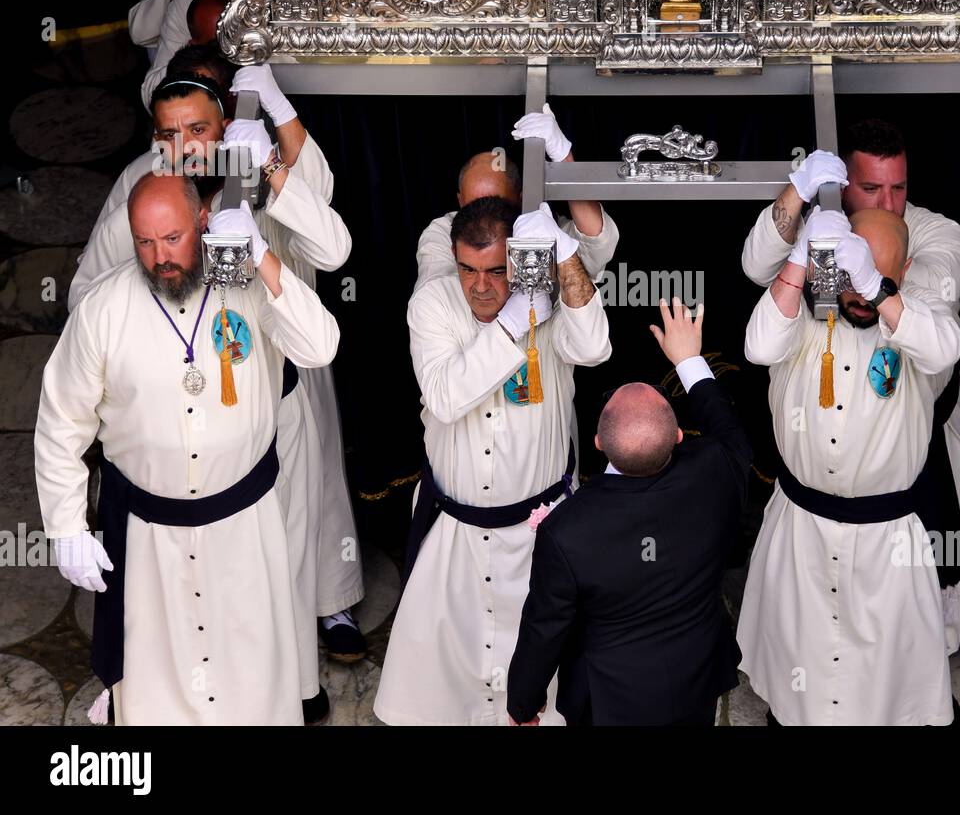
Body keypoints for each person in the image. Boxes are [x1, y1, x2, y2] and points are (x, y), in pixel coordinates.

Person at [69, 73, 365, 716]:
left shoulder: (259, 172)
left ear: (226, 126)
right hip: (178, 415)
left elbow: (334, 247)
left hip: (272, 402)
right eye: (170, 135)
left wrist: (266, 187)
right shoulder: (142, 192)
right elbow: (85, 295)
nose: (186, 148)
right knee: (186, 589)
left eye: (198, 130)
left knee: (278, 558)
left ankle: (291, 695)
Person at [35, 173, 339, 724]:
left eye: (172, 238)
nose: (160, 258)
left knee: (253, 674)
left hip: (245, 527)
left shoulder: (247, 283)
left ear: (203, 221)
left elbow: (321, 345)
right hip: (148, 540)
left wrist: (261, 252)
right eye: (145, 242)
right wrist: (66, 528)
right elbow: (60, 423)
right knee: (157, 687)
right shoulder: (103, 310)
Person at [740, 121, 960, 649]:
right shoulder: (819, 221)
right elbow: (757, 267)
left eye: (899, 187)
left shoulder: (934, 230)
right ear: (844, 185)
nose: (889, 201)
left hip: (916, 413)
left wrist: (872, 273)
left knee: (924, 602)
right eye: (872, 189)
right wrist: (797, 195)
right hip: (824, 421)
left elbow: (936, 304)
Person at [376, 196, 611, 725]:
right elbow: (446, 396)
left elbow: (595, 347)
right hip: (454, 534)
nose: (480, 285)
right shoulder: (433, 303)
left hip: (540, 538)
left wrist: (565, 255)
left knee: (543, 684)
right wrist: (512, 323)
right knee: (439, 690)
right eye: (468, 269)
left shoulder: (550, 290)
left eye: (497, 271)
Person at [738, 208, 960, 725]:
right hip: (803, 533)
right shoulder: (804, 308)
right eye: (851, 279)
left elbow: (945, 348)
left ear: (904, 270)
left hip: (888, 544)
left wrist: (877, 288)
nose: (859, 296)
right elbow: (758, 346)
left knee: (888, 683)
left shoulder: (920, 312)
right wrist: (802, 258)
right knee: (802, 666)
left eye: (878, 277)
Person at [507, 297, 749, 726]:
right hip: (696, 678)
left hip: (609, 701)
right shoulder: (716, 470)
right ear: (678, 435)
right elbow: (726, 428)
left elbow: (545, 628)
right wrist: (689, 360)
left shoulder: (566, 530)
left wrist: (523, 705)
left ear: (598, 443)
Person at [414, 103, 618, 288]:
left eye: (498, 207)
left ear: (520, 200)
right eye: (474, 206)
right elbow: (439, 295)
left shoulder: (545, 227)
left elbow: (597, 243)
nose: (485, 219)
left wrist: (564, 160)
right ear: (460, 202)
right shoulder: (440, 234)